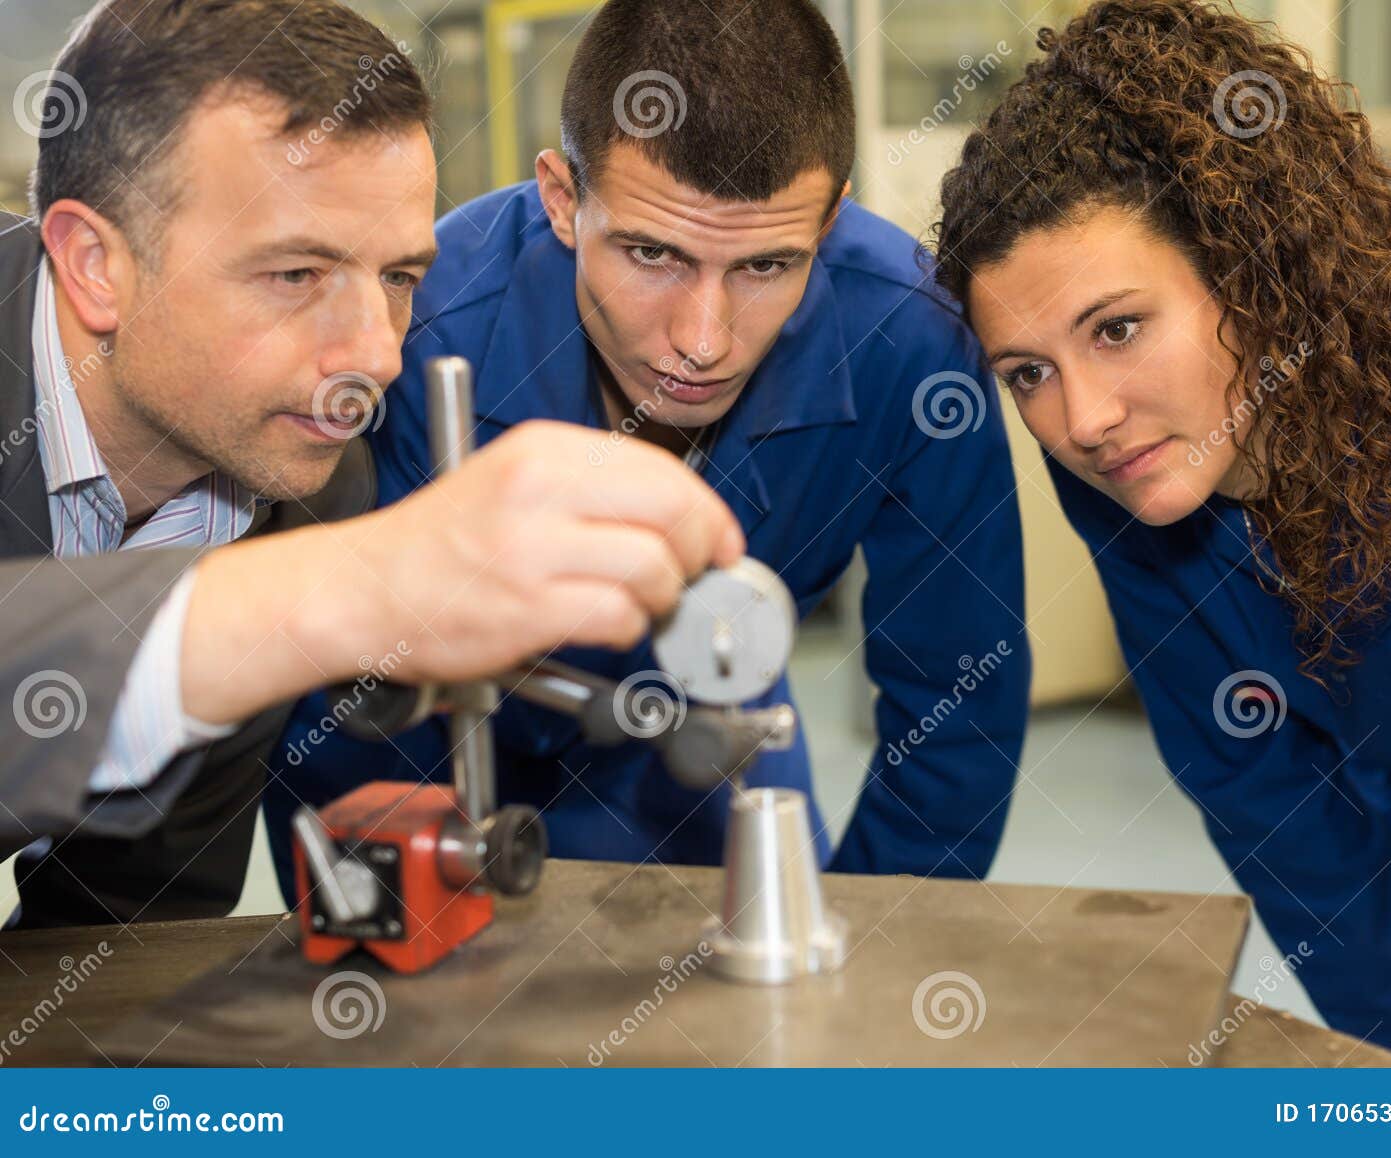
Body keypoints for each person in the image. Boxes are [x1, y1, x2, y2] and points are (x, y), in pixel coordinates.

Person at [933, 0, 1391, 1066]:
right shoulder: (1137, 466)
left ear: (1256, 270)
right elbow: (1261, 789)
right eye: (1026, 373)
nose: (1081, 420)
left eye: (1117, 328)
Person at [0, 0, 742, 928]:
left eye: (397, 279)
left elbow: (119, 919)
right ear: (95, 265)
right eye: (295, 276)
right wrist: (323, 596)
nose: (378, 358)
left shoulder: (304, 482)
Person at [268, 0, 1031, 886]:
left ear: (827, 226)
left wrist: (877, 940)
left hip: (708, 754)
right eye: (652, 254)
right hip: (416, 755)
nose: (703, 341)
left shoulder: (909, 343)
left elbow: (957, 690)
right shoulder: (415, 330)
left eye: (765, 265)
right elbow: (325, 670)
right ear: (563, 200)